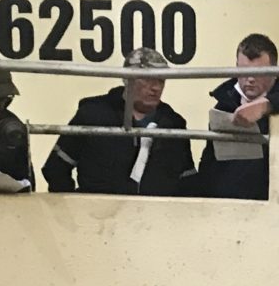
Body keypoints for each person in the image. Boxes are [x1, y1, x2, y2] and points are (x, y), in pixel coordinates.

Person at [193, 33, 279, 200]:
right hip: (226, 207)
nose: (250, 79)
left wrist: (267, 105)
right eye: (243, 71)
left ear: (274, 71)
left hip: (273, 203)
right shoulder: (223, 105)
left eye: (259, 72)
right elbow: (210, 163)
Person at [43, 48, 194, 196]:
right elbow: (56, 168)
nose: (155, 87)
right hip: (97, 217)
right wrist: (71, 209)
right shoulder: (93, 115)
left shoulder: (174, 124)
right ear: (126, 79)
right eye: (147, 79)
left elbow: (187, 181)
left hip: (156, 217)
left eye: (161, 80)